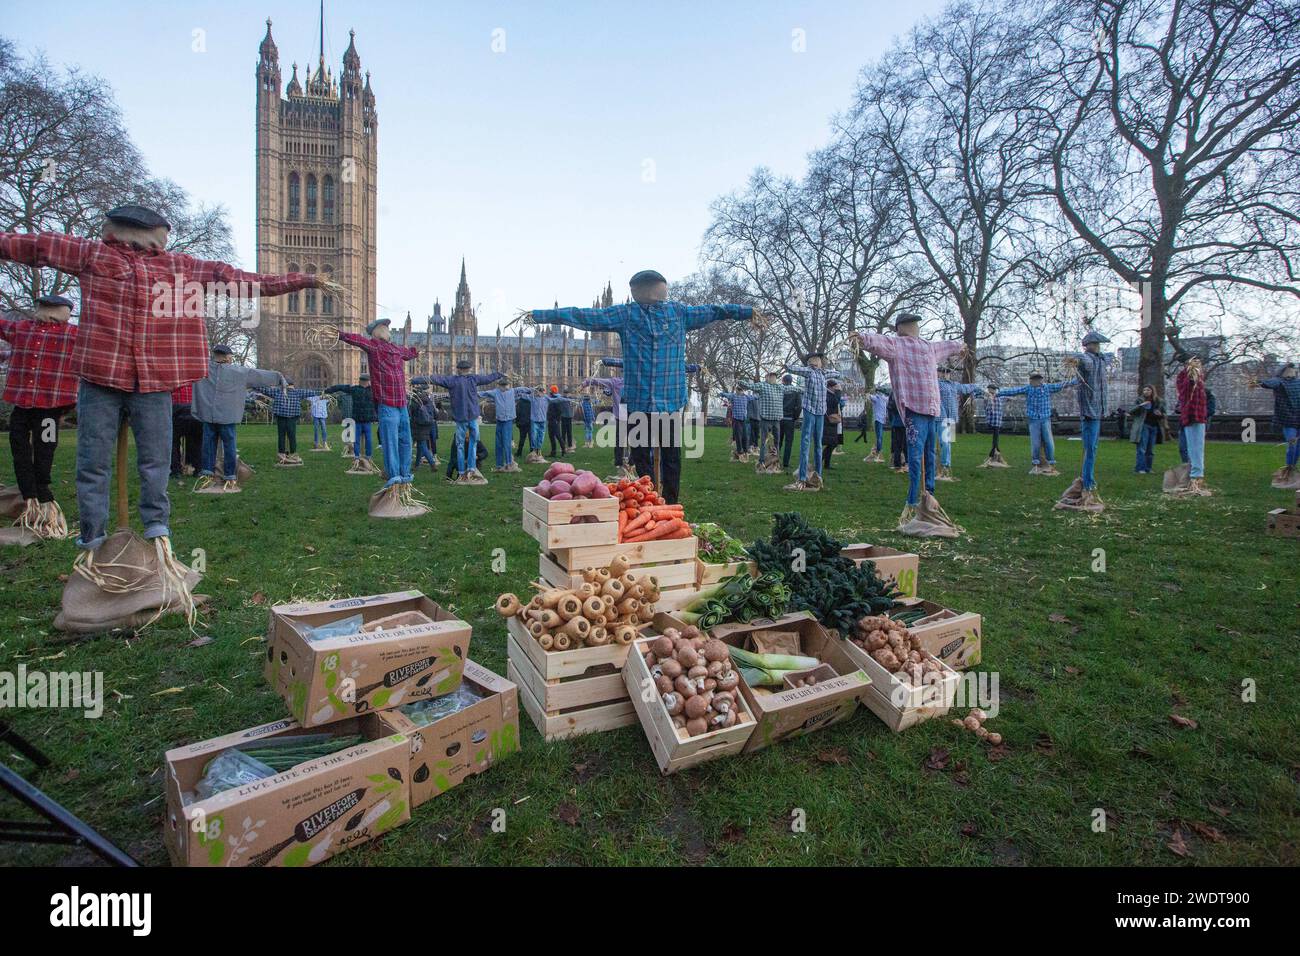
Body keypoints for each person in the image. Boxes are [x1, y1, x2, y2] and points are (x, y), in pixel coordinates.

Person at [0, 205, 321, 571]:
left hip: (145, 380)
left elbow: (243, 281)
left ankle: (150, 535)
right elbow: (34, 246)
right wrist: (302, 280)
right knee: (105, 462)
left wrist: (300, 281)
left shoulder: (169, 265)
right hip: (108, 377)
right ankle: (97, 544)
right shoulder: (103, 256)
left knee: (137, 463)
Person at [524, 270, 763, 503]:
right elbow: (716, 310)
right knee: (665, 457)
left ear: (637, 291)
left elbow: (584, 316)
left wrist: (540, 314)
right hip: (660, 400)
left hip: (648, 401)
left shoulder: (635, 314)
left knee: (652, 457)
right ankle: (659, 501)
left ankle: (659, 502)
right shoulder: (675, 313)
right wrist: (746, 311)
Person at [858, 315, 967, 523]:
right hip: (914, 408)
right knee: (916, 457)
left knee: (929, 454)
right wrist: (860, 338)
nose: (915, 327)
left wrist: (960, 346)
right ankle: (912, 502)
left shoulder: (929, 347)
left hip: (932, 409)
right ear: (901, 328)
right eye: (912, 324)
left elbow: (946, 346)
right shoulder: (897, 345)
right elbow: (877, 341)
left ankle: (929, 498)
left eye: (916, 324)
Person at [1, 293, 79, 537]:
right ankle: (32, 492)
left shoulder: (69, 335)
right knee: (27, 444)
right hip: (30, 403)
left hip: (48, 405)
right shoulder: (25, 330)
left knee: (38, 445)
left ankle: (39, 491)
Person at [337, 318, 420, 487]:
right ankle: (394, 475)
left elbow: (408, 354)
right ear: (379, 331)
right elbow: (357, 340)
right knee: (390, 442)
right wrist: (339, 335)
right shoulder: (373, 346)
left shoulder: (395, 348)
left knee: (406, 440)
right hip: (387, 403)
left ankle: (405, 474)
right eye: (387, 328)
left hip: (401, 403)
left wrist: (415, 351)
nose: (390, 331)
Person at [193, 344, 285, 491]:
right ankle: (230, 477)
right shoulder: (238, 372)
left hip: (208, 415)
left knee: (208, 446)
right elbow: (258, 375)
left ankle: (208, 476)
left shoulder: (202, 369)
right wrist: (279, 378)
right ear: (227, 356)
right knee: (229, 446)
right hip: (227, 416)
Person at [413, 359, 504, 484]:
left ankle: (462, 472)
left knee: (460, 445)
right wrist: (500, 374)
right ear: (469, 369)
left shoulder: (452, 380)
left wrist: (414, 380)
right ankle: (471, 469)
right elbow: (488, 378)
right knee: (473, 443)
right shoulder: (473, 379)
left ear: (459, 370)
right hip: (472, 416)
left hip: (461, 418)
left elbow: (433, 379)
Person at [784, 352, 845, 491]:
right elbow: (795, 369)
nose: (815, 361)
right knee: (806, 441)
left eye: (818, 359)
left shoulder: (824, 373)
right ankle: (803, 478)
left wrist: (840, 376)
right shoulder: (808, 371)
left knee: (818, 444)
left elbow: (837, 374)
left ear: (821, 362)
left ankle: (818, 477)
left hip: (820, 412)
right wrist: (786, 366)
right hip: (809, 410)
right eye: (813, 360)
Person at [1067, 328, 1113, 506]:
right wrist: (1075, 359)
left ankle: (1088, 480)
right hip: (1089, 411)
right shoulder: (1088, 360)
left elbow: (1108, 357)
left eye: (1098, 344)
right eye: (1094, 344)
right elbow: (1081, 360)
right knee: (1090, 449)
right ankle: (1087, 482)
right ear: (1088, 346)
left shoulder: (1101, 360)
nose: (1098, 347)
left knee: (1092, 448)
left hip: (1098, 410)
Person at [998, 373, 1073, 475]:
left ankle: (1050, 462)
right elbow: (1013, 391)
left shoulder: (1046, 388)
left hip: (1045, 418)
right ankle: (1036, 463)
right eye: (1031, 381)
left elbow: (1061, 385)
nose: (1032, 383)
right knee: (1035, 442)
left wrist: (1074, 381)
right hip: (1033, 419)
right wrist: (998, 393)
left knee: (1048, 441)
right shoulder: (1028, 389)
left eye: (1033, 381)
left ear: (1039, 381)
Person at [254, 379, 320, 465]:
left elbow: (265, 390)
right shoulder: (297, 392)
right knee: (292, 436)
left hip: (281, 417)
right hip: (292, 418)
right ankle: (293, 454)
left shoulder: (278, 391)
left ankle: (282, 454)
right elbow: (310, 392)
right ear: (292, 385)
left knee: (281, 436)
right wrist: (324, 392)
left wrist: (253, 385)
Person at [1257, 363, 1300, 487]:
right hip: (1288, 420)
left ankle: (1292, 469)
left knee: (1297, 447)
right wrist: (1257, 382)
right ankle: (1289, 469)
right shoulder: (1279, 382)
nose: (1291, 372)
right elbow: (1268, 383)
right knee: (1292, 444)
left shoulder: (1298, 383)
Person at [936, 368, 983, 481]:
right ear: (938, 373)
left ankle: (946, 467)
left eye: (947, 372)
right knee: (944, 443)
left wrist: (977, 387)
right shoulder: (935, 383)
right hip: (941, 417)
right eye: (943, 372)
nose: (945, 374)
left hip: (951, 417)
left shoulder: (954, 385)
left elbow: (966, 388)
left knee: (948, 443)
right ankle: (944, 466)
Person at [326, 372, 379, 472]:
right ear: (368, 382)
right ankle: (368, 456)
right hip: (367, 419)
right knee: (368, 439)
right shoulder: (373, 391)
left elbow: (340, 387)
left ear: (360, 381)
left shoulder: (355, 390)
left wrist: (328, 390)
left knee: (357, 440)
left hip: (357, 419)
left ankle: (357, 457)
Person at [1173, 356, 1211, 495]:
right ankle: (1194, 478)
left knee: (1196, 448)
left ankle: (1196, 478)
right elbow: (1185, 391)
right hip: (1190, 417)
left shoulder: (1199, 378)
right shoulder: (1184, 377)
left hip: (1198, 417)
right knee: (1192, 448)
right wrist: (1190, 379)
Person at [480, 380, 531, 472]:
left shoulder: (513, 391)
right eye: (502, 386)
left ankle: (508, 464)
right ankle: (499, 465)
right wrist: (469, 392)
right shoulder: (495, 392)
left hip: (508, 421)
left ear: (509, 385)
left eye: (505, 385)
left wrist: (531, 390)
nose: (504, 387)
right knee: (498, 443)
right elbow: (483, 393)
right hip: (500, 420)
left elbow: (524, 389)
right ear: (499, 386)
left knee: (507, 443)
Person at [739, 372, 786, 471]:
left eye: (774, 377)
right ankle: (761, 462)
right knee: (764, 441)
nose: (773, 378)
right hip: (765, 419)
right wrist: (740, 381)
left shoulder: (780, 387)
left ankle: (775, 462)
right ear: (767, 377)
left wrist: (803, 388)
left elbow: (791, 388)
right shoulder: (762, 385)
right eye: (771, 376)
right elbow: (750, 386)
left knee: (777, 442)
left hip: (777, 419)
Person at [1129, 384, 1166, 474]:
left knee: (1151, 450)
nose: (1146, 392)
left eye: (1148, 390)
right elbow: (1131, 411)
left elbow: (1164, 414)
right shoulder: (1140, 400)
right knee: (1142, 448)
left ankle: (1148, 468)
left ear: (1152, 391)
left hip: (1154, 427)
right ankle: (1139, 468)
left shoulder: (1159, 401)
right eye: (1144, 390)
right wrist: (1141, 405)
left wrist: (1160, 414)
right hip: (1143, 426)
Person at [170, 383, 203, 479]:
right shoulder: (197, 375)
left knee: (173, 442)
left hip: (176, 407)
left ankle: (175, 470)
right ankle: (198, 469)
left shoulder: (174, 374)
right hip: (195, 408)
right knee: (196, 442)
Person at [410, 387, 439, 472]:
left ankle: (432, 463)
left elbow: (411, 414)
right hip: (428, 426)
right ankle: (417, 465)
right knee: (420, 446)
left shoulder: (415, 401)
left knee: (422, 446)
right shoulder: (429, 401)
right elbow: (436, 415)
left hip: (418, 426)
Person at [720, 384, 752, 459]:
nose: (739, 391)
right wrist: (721, 394)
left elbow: (755, 397)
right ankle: (740, 452)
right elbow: (726, 395)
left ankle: (745, 451)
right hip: (736, 420)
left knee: (744, 436)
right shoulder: (734, 396)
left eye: (740, 390)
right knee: (738, 436)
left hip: (743, 420)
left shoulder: (746, 397)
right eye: (739, 390)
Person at [981, 385, 1007, 466]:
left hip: (997, 421)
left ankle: (993, 452)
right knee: (995, 436)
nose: (989, 391)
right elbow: (986, 407)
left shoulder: (999, 397)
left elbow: (1007, 398)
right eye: (988, 389)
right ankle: (996, 450)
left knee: (996, 436)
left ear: (994, 390)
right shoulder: (988, 398)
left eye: (990, 389)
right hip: (991, 420)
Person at [822, 379, 844, 471]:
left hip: (833, 422)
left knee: (833, 443)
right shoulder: (828, 395)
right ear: (831, 387)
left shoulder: (831, 394)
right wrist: (838, 392)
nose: (837, 388)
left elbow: (837, 404)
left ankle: (825, 463)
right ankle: (822, 461)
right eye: (836, 387)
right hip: (829, 422)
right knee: (831, 443)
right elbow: (835, 402)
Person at [888, 391, 908, 472]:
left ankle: (897, 464)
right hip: (903, 422)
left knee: (897, 444)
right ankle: (906, 463)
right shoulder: (903, 392)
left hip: (896, 422)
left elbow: (889, 408)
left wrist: (891, 421)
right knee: (905, 444)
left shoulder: (893, 393)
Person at [514, 388, 533, 458]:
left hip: (522, 423)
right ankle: (532, 452)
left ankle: (519, 452)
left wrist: (517, 422)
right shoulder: (531, 402)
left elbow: (517, 413)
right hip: (530, 422)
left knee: (522, 438)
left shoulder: (520, 402)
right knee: (531, 438)